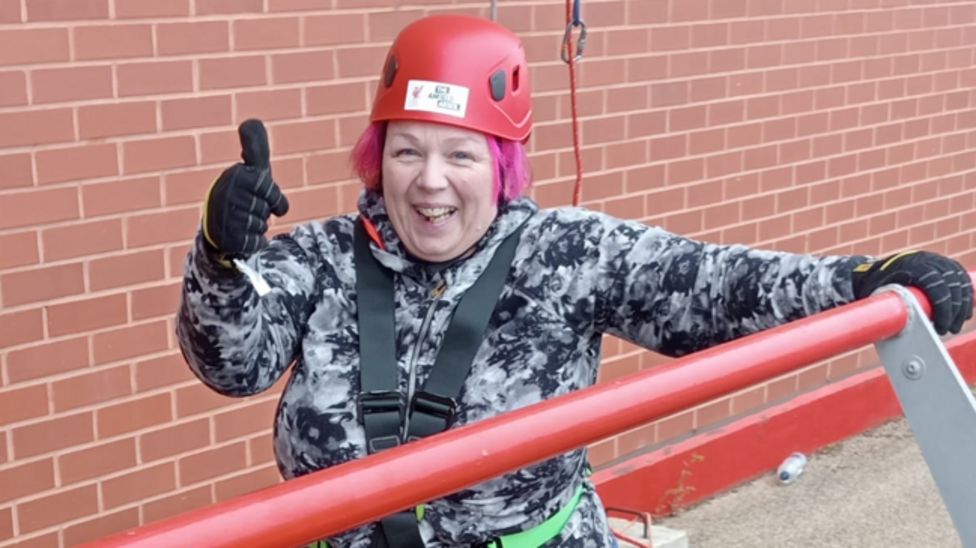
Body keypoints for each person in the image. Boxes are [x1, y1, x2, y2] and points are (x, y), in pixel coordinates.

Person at [176, 14, 972, 548]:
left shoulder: (564, 253)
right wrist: (220, 254)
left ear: (502, 166)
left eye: (461, 154)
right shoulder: (317, 258)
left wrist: (869, 282)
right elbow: (232, 364)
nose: (430, 182)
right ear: (376, 158)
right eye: (408, 150)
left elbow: (714, 287)